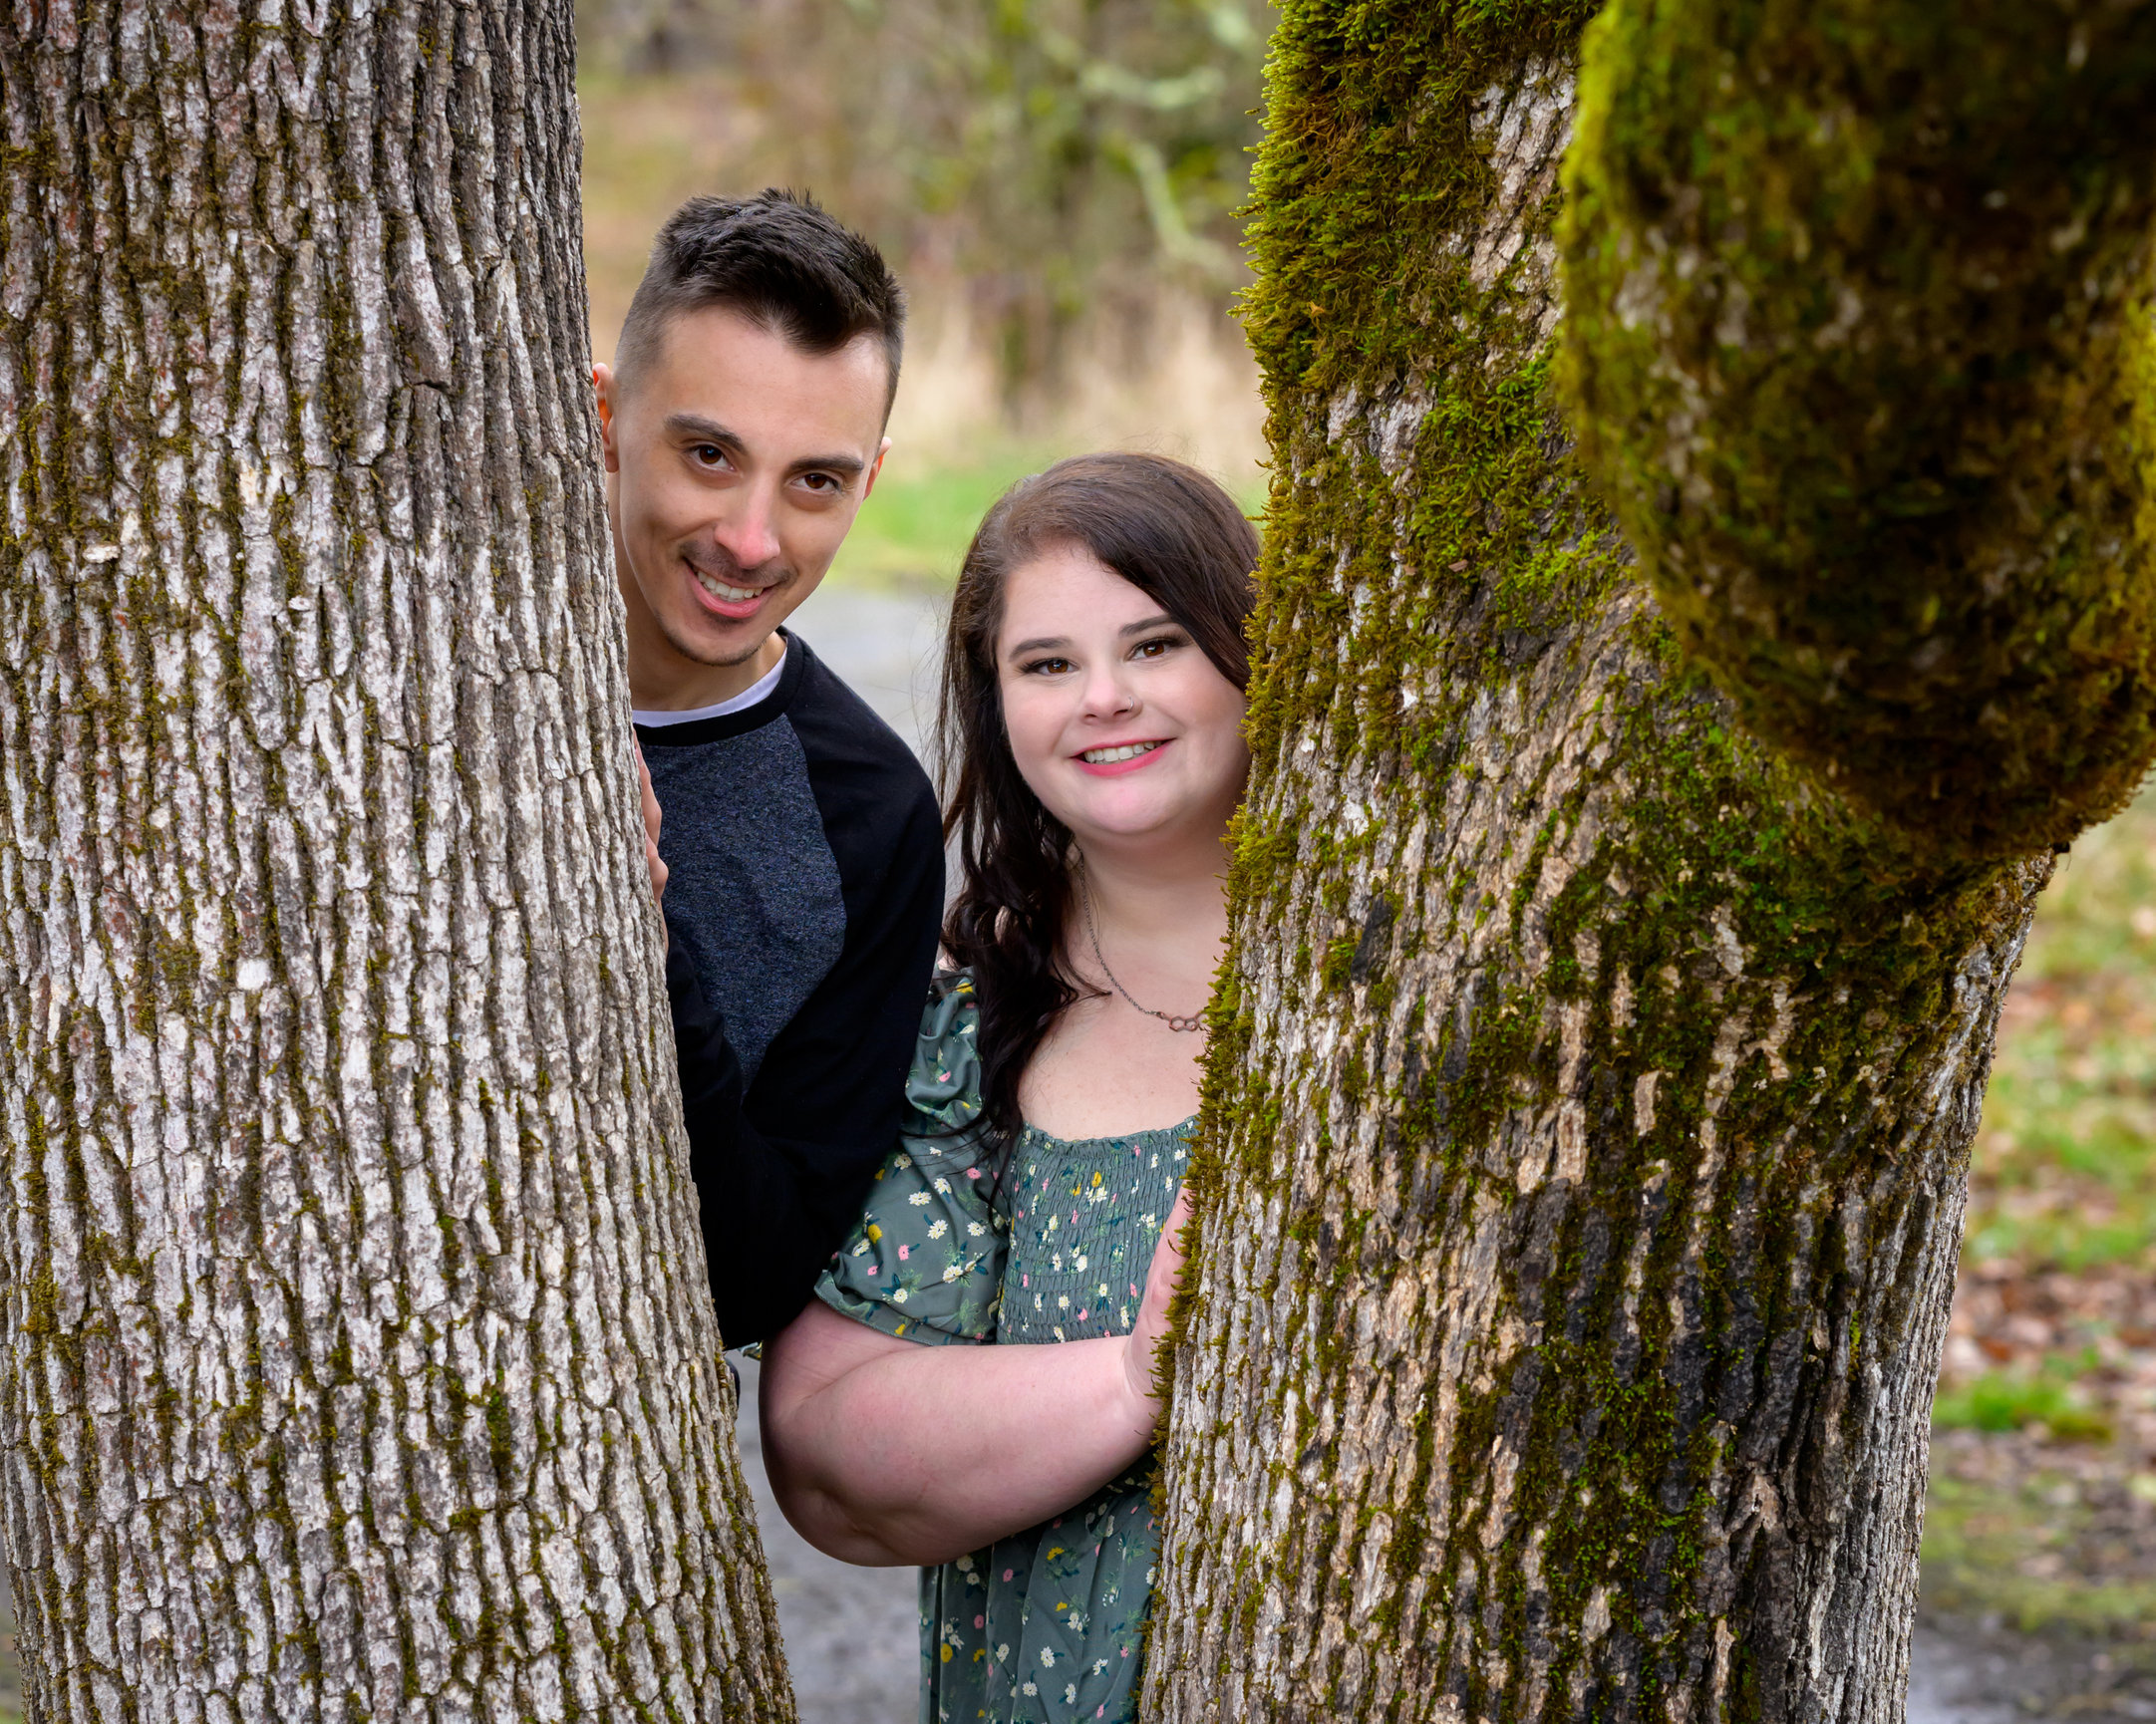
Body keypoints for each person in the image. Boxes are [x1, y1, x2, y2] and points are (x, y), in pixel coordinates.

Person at [758, 452, 1258, 1723]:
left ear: (1252, 652)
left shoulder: (1405, 980)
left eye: (1156, 644)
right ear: (997, 707)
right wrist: (1135, 1379)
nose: (1103, 698)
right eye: (1046, 665)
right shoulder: (970, 1029)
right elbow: (827, 1457)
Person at [601, 190, 945, 1347]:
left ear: (870, 481)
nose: (753, 539)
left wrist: (643, 933)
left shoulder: (871, 816)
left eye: (814, 481)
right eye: (709, 454)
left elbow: (756, 1281)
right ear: (604, 416)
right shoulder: (412, 663)